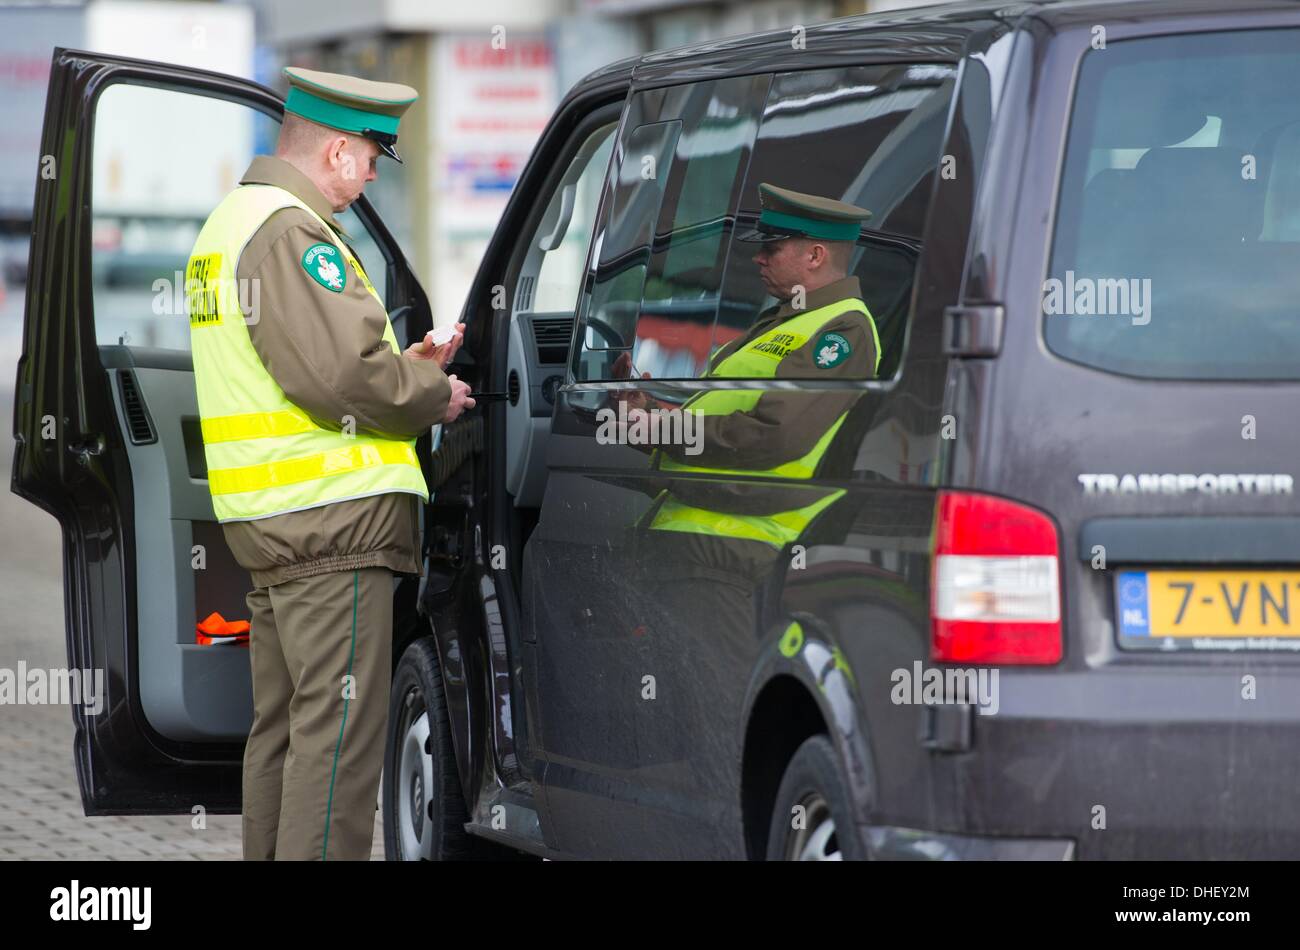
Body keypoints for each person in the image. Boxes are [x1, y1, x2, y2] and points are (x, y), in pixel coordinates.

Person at [185, 66, 473, 860]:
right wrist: (432, 390)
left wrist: (402, 365)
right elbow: (342, 377)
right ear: (339, 151)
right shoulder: (293, 233)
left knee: (283, 735)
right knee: (337, 745)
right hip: (331, 532)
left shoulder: (230, 226)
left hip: (274, 527)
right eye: (374, 156)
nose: (375, 173)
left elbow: (306, 367)